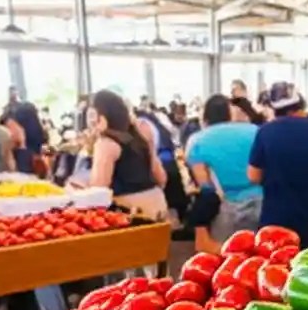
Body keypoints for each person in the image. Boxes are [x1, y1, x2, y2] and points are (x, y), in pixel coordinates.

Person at [248, 82, 308, 247]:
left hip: (278, 217)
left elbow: (253, 176)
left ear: (273, 107)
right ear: (300, 103)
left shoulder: (265, 132)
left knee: (278, 266)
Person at [187, 95, 262, 251]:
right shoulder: (255, 131)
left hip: (227, 207)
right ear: (230, 113)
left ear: (205, 117)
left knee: (227, 256)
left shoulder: (197, 140)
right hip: (263, 202)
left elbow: (205, 185)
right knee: (259, 253)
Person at [82, 90, 168, 220]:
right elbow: (161, 177)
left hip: (131, 212)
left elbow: (98, 190)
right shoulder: (140, 135)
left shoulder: (106, 143)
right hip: (158, 205)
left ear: (101, 117)